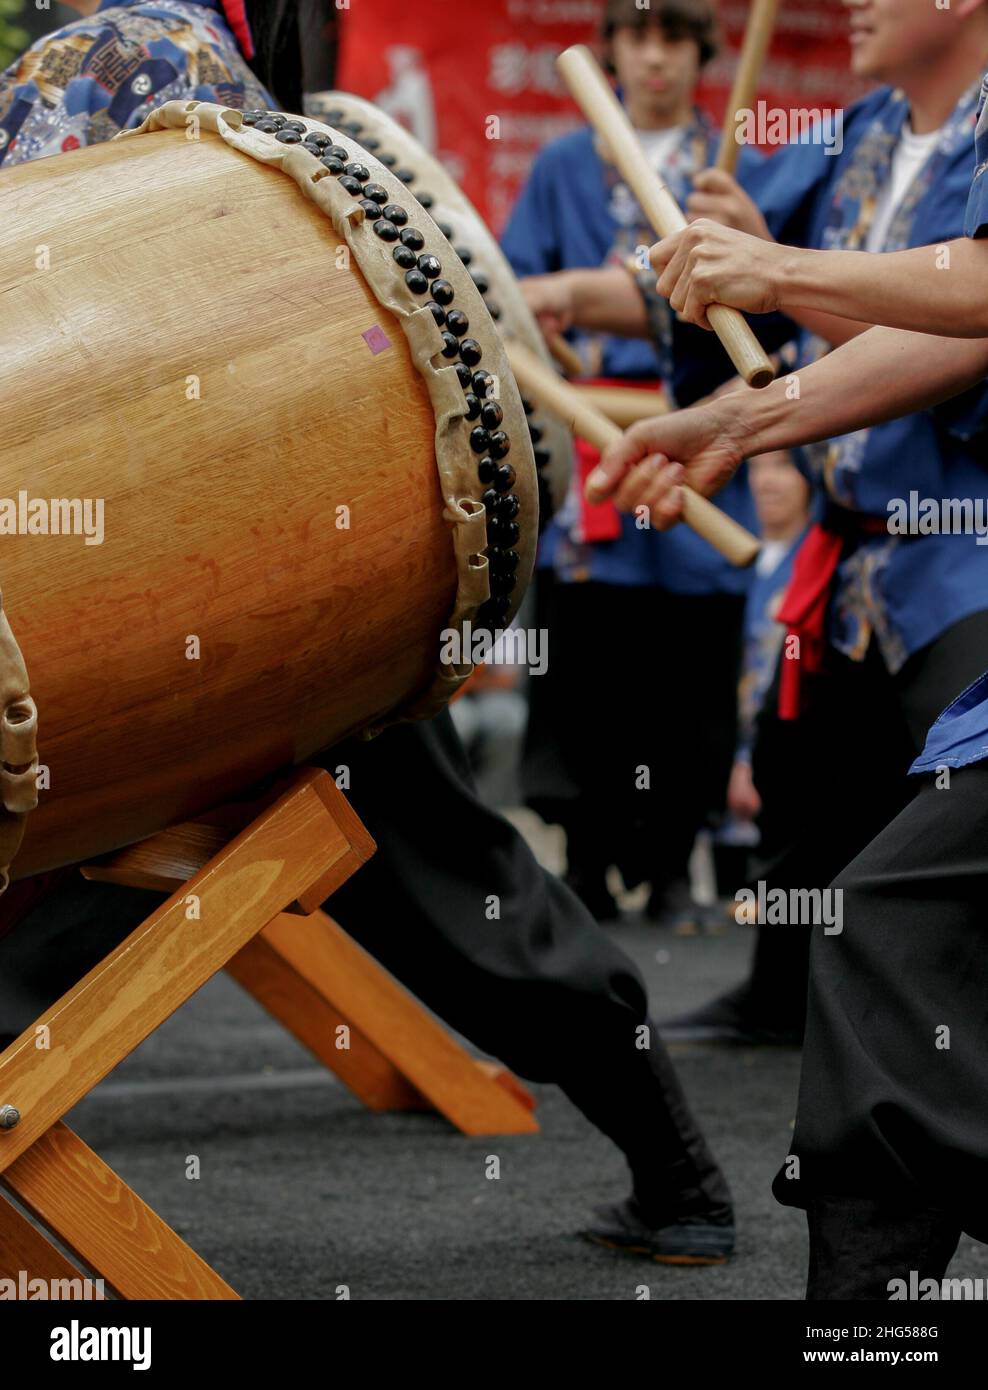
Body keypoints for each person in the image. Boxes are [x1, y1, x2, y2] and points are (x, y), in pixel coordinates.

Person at [0, 0, 736, 1266]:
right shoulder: (138, 43)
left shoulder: (139, 47)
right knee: (434, 873)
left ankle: (679, 1173)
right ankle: (676, 1172)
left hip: (228, 554)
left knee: (411, 860)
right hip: (174, 566)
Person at [586, 44, 988, 1295]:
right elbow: (926, 314)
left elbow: (965, 299)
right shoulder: (859, 134)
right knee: (854, 875)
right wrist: (737, 414)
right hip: (857, 549)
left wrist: (775, 270)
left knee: (895, 920)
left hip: (955, 553)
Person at [501, 0, 759, 926]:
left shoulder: (730, 174)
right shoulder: (566, 164)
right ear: (613, 49)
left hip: (699, 429)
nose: (654, 58)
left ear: (699, 56)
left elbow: (759, 314)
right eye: (638, 37)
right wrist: (559, 328)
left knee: (687, 649)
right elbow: (520, 299)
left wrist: (592, 295)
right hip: (594, 439)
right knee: (588, 651)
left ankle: (669, 860)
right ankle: (585, 855)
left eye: (674, 41)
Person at [663, 451, 813, 1045]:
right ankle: (776, 995)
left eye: (787, 468)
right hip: (745, 750)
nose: (770, 481)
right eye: (762, 468)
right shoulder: (737, 566)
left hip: (787, 741)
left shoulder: (818, 563)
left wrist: (751, 758)